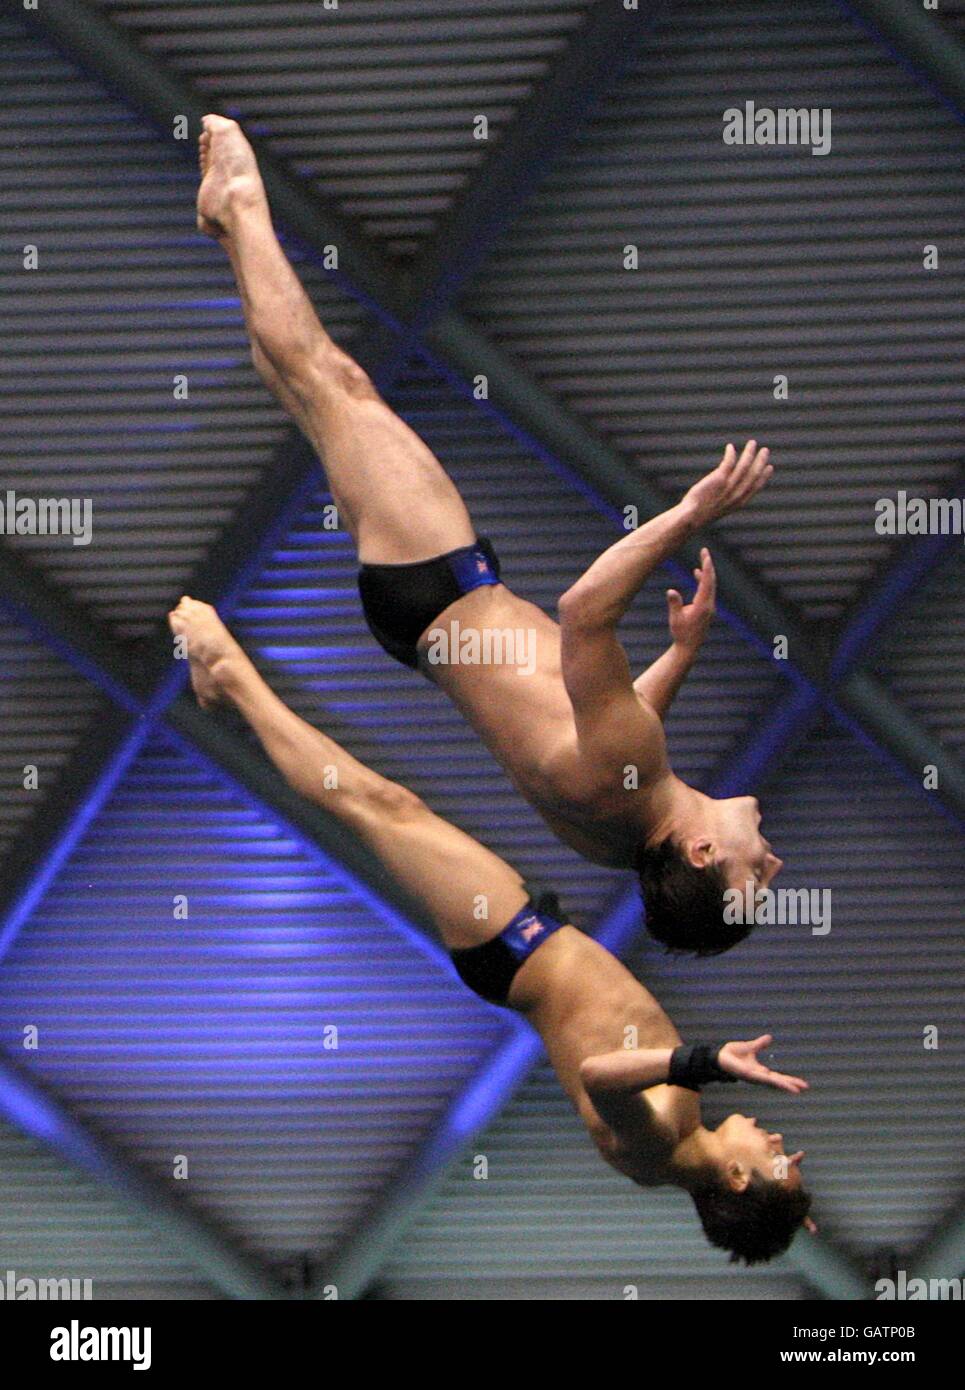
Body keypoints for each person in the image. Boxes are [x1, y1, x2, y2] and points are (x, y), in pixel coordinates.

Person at [195, 114, 783, 955]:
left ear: (699, 852)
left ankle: (243, 204)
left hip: (440, 578)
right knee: (309, 395)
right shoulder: (615, 830)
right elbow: (596, 723)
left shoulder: (635, 765)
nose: (774, 861)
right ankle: (227, 227)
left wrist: (688, 514)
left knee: (335, 384)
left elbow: (584, 613)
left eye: (750, 875)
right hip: (420, 617)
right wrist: (682, 653)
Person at [167, 595, 814, 1264]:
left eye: (778, 1165)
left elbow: (599, 1075)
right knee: (385, 806)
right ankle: (227, 686)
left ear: (736, 1182)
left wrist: (708, 1061)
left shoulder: (659, 1151)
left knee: (378, 806)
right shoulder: (679, 1133)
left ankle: (229, 673)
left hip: (512, 950)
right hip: (530, 938)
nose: (779, 1146)